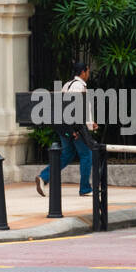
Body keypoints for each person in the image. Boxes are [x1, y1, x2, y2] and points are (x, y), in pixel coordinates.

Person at [36, 60, 98, 198]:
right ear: (83, 72)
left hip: (65, 127)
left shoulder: (67, 85)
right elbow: (75, 110)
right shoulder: (78, 87)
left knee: (67, 155)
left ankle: (43, 177)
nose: (88, 74)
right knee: (86, 154)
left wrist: (89, 123)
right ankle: (85, 188)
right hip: (75, 127)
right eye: (87, 71)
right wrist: (76, 129)